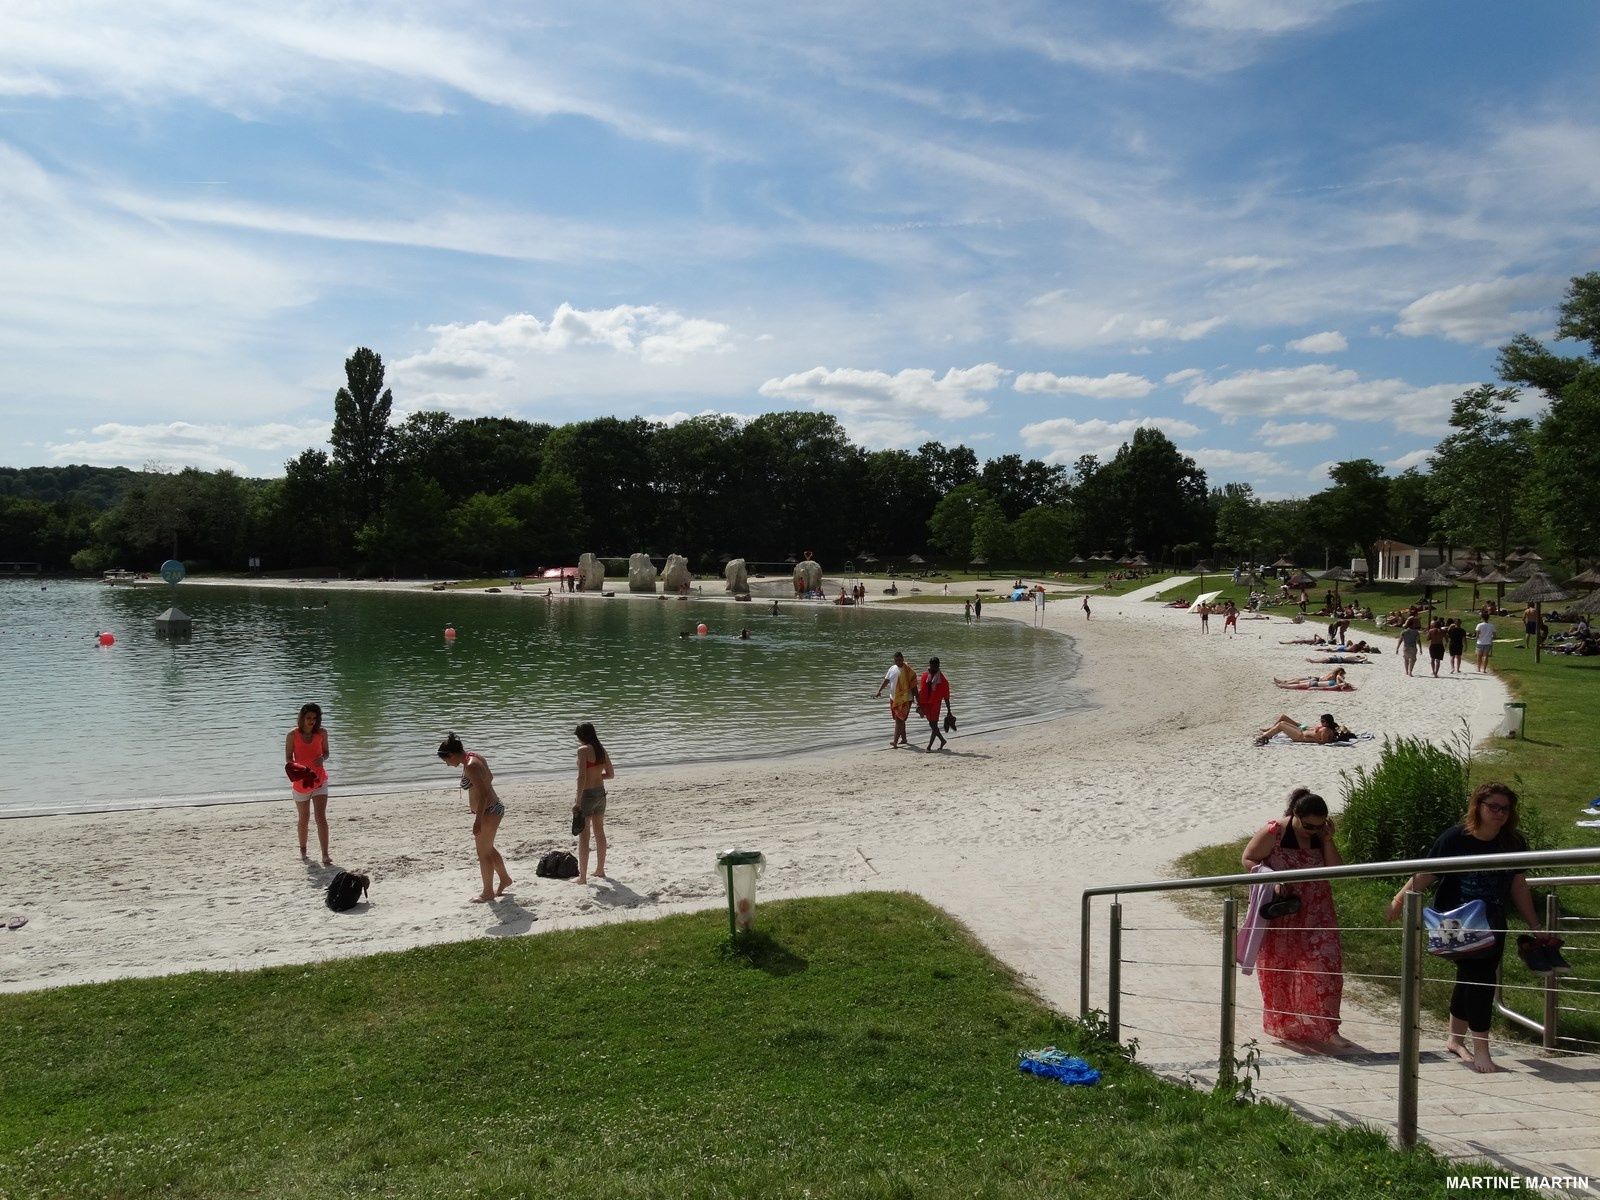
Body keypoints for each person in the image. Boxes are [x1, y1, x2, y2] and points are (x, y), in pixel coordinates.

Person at [1386, 783, 1554, 1073]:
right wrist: (1399, 900)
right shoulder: (1454, 838)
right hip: (1456, 922)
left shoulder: (1513, 842)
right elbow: (1427, 873)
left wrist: (1535, 925)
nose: (1499, 813)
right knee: (1480, 979)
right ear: (1478, 805)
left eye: (1505, 808)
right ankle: (1481, 1051)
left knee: (1471, 977)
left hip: (1493, 921)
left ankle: (1455, 1040)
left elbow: (1518, 885)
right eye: (1493, 807)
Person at [1241, 789, 1349, 1047]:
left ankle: (1328, 1028)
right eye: (1309, 825)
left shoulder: (1320, 836)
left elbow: (1337, 871)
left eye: (1319, 825)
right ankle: (1284, 1022)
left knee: (1327, 965)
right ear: (1295, 815)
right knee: (1282, 970)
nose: (1313, 830)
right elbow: (1248, 859)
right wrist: (1271, 878)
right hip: (1283, 912)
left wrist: (1326, 839)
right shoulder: (1274, 831)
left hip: (1318, 910)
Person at [437, 732, 511, 902]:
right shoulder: (474, 757)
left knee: (483, 853)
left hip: (489, 811)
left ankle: (487, 893)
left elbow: (484, 794)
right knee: (488, 849)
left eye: (446, 761)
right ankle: (505, 879)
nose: (448, 765)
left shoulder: (471, 765)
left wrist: (478, 819)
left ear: (451, 755)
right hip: (491, 809)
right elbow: (490, 777)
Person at [284, 703, 332, 864]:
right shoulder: (292, 734)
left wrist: (322, 758)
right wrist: (298, 769)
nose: (311, 721)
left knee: (321, 818)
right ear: (302, 718)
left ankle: (325, 854)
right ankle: (303, 851)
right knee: (303, 819)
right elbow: (288, 758)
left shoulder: (322, 733)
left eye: (314, 718)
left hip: (319, 781)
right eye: (308, 718)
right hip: (301, 783)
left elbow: (326, 753)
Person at [572, 722, 615, 884]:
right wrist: (596, 777)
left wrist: (577, 800)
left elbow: (581, 776)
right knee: (600, 832)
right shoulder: (601, 749)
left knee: (584, 836)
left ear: (582, 736)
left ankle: (582, 877)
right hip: (600, 793)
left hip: (587, 795)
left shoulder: (583, 750)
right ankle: (600, 870)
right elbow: (610, 774)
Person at [874, 651, 916, 748]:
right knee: (900, 719)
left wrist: (917, 699)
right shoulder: (892, 668)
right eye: (896, 660)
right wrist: (879, 691)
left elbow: (914, 686)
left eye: (900, 660)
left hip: (906, 699)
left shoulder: (909, 671)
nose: (898, 662)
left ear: (903, 659)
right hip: (894, 698)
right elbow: (886, 680)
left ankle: (895, 741)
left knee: (899, 720)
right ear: (894, 660)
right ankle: (904, 739)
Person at [916, 657, 954, 751]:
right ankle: (937, 743)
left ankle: (933, 744)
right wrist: (918, 704)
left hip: (936, 704)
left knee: (933, 724)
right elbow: (922, 691)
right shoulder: (925, 676)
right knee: (933, 725)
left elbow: (946, 697)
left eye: (935, 665)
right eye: (932, 665)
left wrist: (949, 711)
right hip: (926, 703)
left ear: (938, 665)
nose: (933, 667)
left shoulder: (943, 680)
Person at [1254, 712, 1346, 746]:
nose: (1320, 722)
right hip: (1301, 732)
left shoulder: (1326, 730)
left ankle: (1264, 736)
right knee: (1284, 723)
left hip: (1300, 737)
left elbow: (1322, 742)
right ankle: (1266, 734)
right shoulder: (1326, 728)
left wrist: (1312, 737)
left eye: (1322, 721)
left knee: (1282, 724)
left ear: (1326, 722)